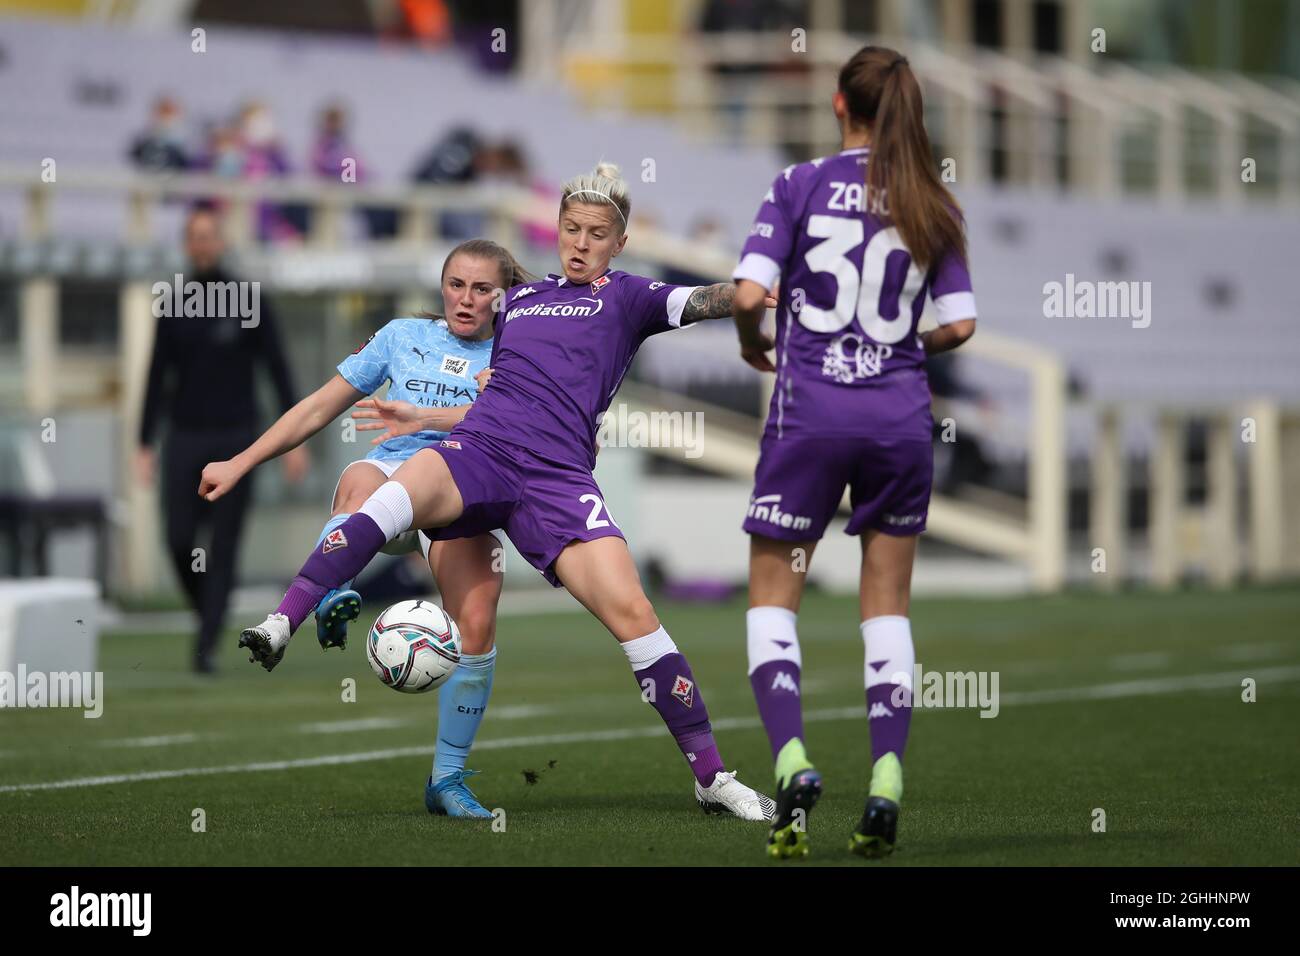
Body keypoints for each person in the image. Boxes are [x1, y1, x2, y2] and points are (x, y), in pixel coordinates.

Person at [235, 162, 778, 821]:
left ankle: (713, 778)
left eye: (597, 233)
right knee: (389, 492)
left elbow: (702, 301)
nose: (581, 243)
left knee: (635, 616)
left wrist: (750, 291)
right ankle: (282, 620)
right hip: (481, 450)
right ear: (555, 230)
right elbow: (469, 325)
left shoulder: (628, 297)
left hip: (556, 479)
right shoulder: (516, 301)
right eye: (571, 228)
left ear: (619, 243)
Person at [730, 44, 978, 859]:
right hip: (900, 421)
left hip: (810, 415)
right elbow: (962, 324)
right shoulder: (931, 201)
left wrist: (753, 340)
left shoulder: (798, 185)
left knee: (773, 598)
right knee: (887, 607)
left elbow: (747, 292)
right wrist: (904, 344)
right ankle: (887, 778)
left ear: (840, 105)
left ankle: (794, 760)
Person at [198, 239, 521, 817]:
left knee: (477, 617)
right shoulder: (401, 336)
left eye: (481, 289)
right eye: (455, 285)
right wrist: (240, 462)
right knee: (358, 488)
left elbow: (524, 420)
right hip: (393, 469)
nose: (465, 300)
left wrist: (430, 416)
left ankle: (447, 780)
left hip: (463, 484)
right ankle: (317, 600)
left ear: (503, 296)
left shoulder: (518, 350)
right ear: (441, 286)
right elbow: (319, 407)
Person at [137, 205, 306, 674]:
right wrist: (144, 442)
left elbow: (278, 368)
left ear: (222, 241)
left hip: (236, 440)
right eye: (195, 236)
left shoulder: (247, 298)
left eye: (211, 235)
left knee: (225, 545)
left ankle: (206, 645)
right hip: (184, 437)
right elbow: (155, 375)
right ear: (187, 244)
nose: (203, 243)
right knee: (177, 540)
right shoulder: (174, 303)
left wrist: (296, 444)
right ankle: (209, 611)